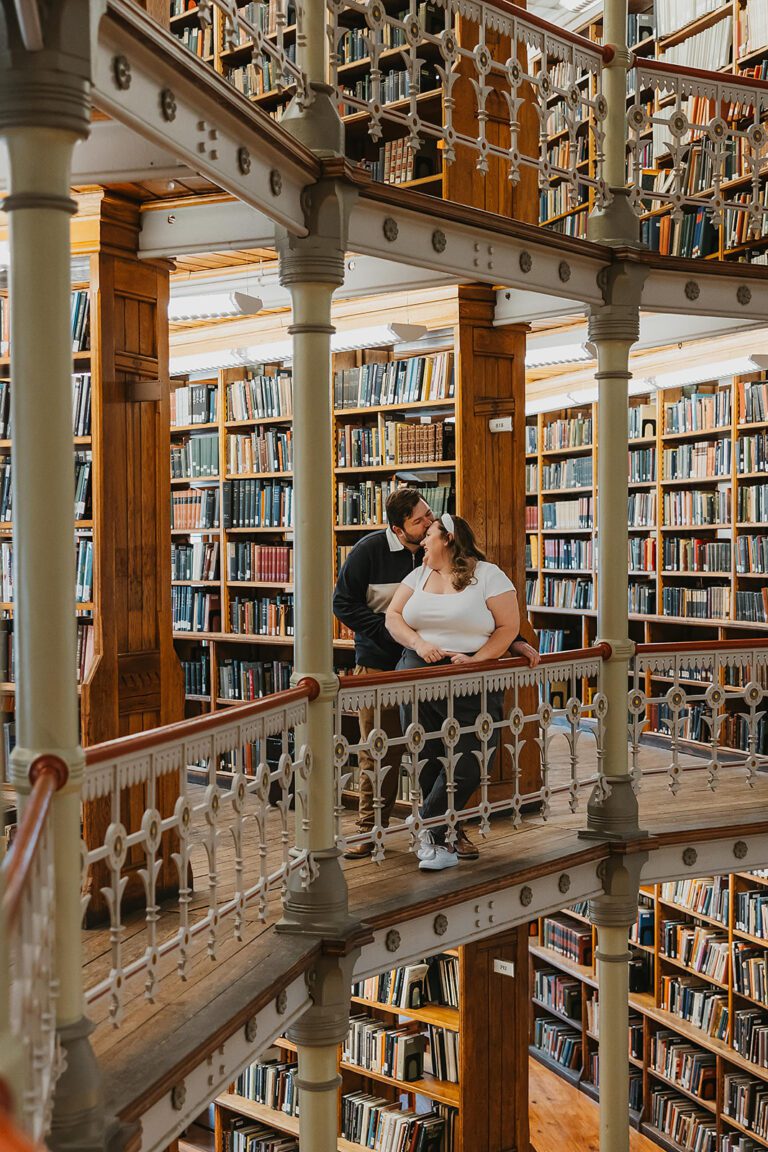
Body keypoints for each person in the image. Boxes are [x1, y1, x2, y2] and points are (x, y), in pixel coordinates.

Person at [385, 512, 539, 871]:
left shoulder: (488, 575)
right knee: (427, 757)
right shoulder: (417, 575)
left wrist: (477, 660)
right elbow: (393, 616)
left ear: (449, 539)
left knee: (470, 757)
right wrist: (419, 643)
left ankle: (427, 824)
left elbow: (507, 626)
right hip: (418, 675)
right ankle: (439, 842)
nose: (423, 541)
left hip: (473, 678)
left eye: (430, 535)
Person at [333, 487, 441, 859]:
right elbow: (341, 602)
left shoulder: (438, 549)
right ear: (398, 529)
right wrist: (387, 630)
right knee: (379, 750)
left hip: (429, 664)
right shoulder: (368, 552)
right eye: (419, 520)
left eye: (429, 514)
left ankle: (440, 827)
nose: (429, 522)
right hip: (378, 663)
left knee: (436, 746)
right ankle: (369, 829)